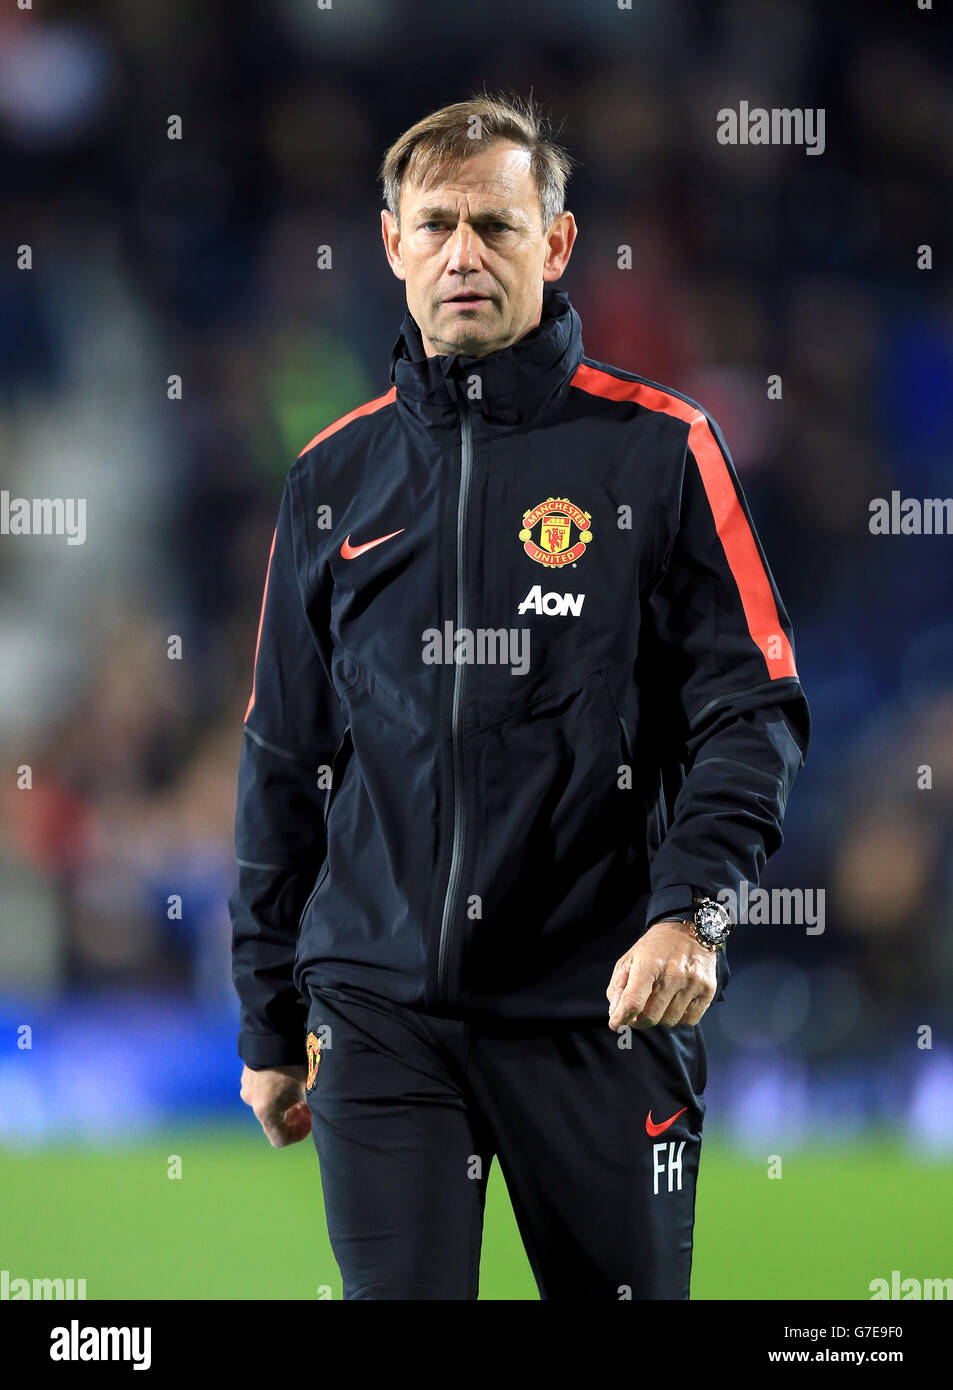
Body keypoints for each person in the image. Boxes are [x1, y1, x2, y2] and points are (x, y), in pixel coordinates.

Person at [230, 92, 810, 1300]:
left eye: (495, 227)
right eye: (433, 224)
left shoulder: (661, 453)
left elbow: (748, 714)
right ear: (390, 245)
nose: (461, 254)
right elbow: (285, 754)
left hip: (595, 1005)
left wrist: (689, 910)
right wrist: (265, 1013)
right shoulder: (330, 478)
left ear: (552, 244)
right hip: (379, 1009)